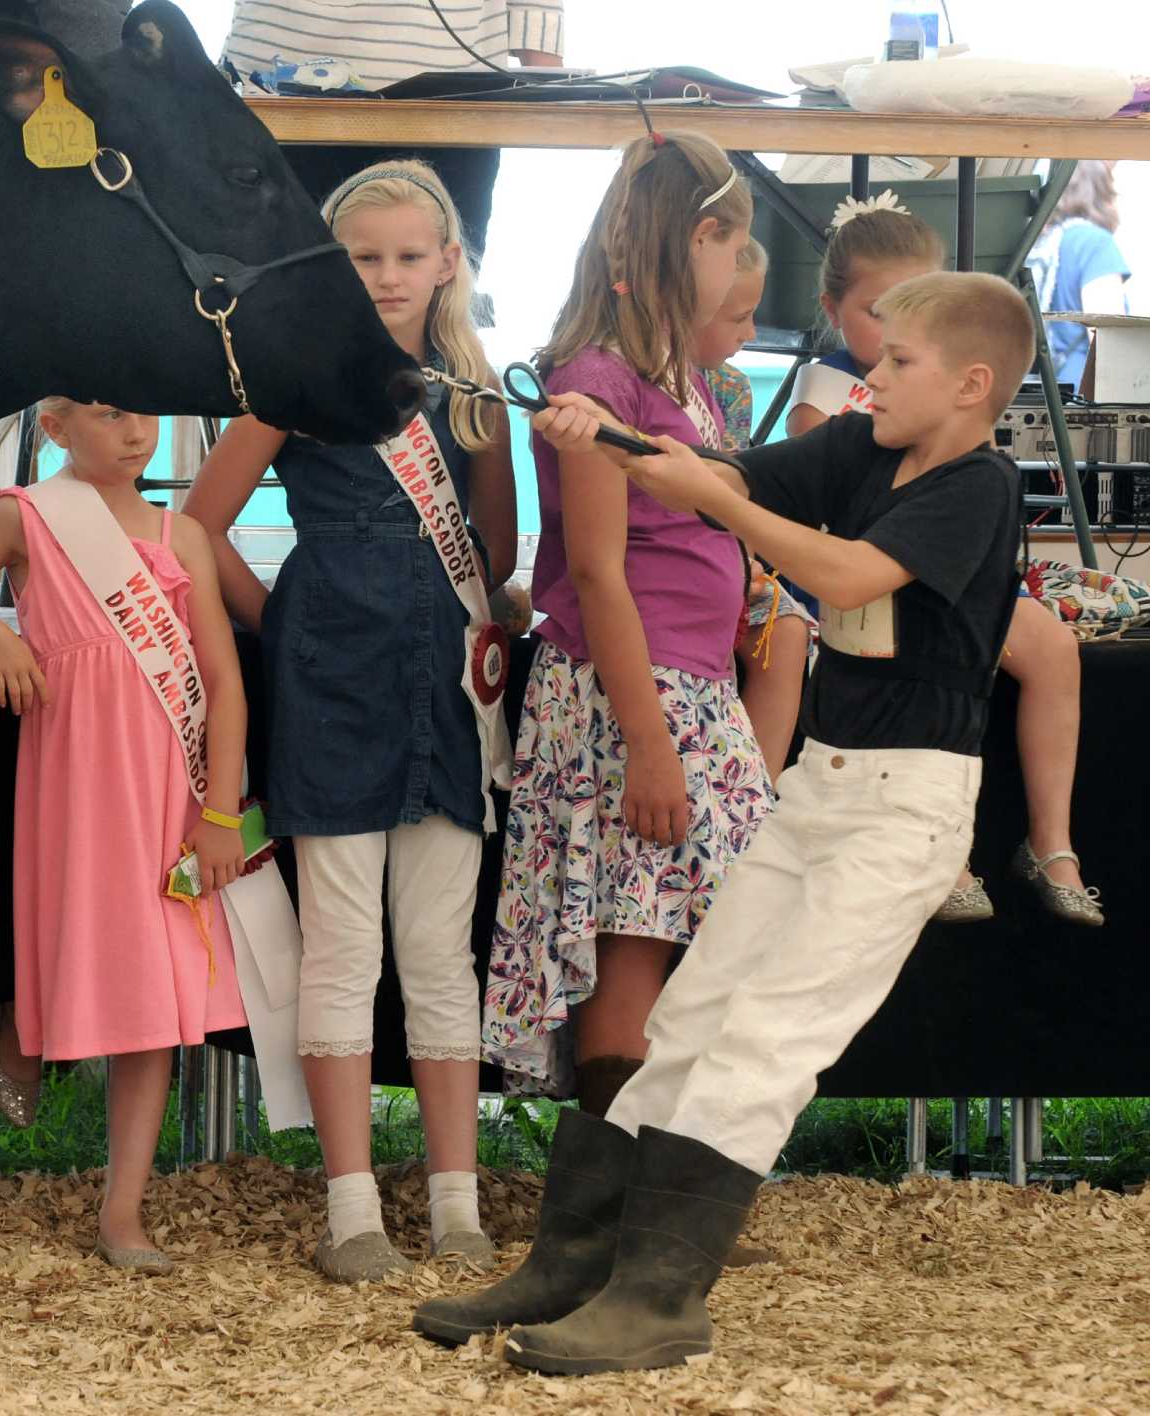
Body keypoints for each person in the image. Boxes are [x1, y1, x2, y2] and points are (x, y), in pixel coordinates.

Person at [415, 270, 1034, 1375]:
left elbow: (839, 566)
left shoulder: (976, 487)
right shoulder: (866, 450)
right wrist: (600, 435)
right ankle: (575, 1258)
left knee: (767, 1040)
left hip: (908, 807)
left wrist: (733, 512)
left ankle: (661, 1297)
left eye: (897, 363)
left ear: (971, 384)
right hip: (822, 785)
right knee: (696, 1012)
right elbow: (710, 472)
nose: (871, 376)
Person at [182, 158, 517, 1282]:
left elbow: (499, 559)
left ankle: (457, 1205)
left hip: (439, 678)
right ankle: (349, 1208)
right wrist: (279, 624)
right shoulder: (291, 377)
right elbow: (196, 528)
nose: (384, 276)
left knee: (435, 949)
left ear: (446, 263)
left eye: (406, 255)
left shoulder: (472, 396)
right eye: (361, 257)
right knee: (338, 944)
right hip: (329, 678)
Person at [0, 397, 250, 1270]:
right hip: (76, 782)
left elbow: (224, 684)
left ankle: (121, 1212)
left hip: (172, 793)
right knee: (77, 935)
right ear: (55, 426)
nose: (135, 433)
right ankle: (23, 1017)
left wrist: (219, 815)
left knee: (159, 999)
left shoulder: (183, 537)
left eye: (146, 417)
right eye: (108, 415)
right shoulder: (25, 518)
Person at [479, 131, 772, 1124]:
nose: (738, 273)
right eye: (733, 252)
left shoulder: (670, 373)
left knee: (675, 931)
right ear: (698, 236)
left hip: (686, 686)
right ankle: (611, 1201)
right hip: (632, 697)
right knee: (631, 939)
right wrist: (646, 744)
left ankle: (648, 1187)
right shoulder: (598, 380)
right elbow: (599, 574)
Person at [789, 195, 1101, 926]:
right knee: (919, 664)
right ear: (835, 311)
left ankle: (1050, 840)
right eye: (880, 311)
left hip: (943, 583)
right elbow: (818, 523)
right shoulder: (826, 394)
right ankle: (939, 848)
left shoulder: (952, 400)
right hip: (865, 589)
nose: (905, 323)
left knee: (1053, 645)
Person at [221, 0, 565, 286]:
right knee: (267, 317)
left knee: (435, 328)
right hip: (279, 94)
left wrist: (547, 69)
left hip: (454, 103)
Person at [698, 237, 815, 778]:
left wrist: (746, 559)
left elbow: (733, 493)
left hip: (716, 553)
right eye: (739, 317)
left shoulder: (730, 388)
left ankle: (754, 795)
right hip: (659, 567)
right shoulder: (627, 380)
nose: (750, 333)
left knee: (788, 629)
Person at [1027, 159, 1132, 392]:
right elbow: (1108, 337)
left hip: (1049, 393)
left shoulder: (1043, 245)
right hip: (1088, 394)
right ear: (1100, 188)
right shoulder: (1093, 244)